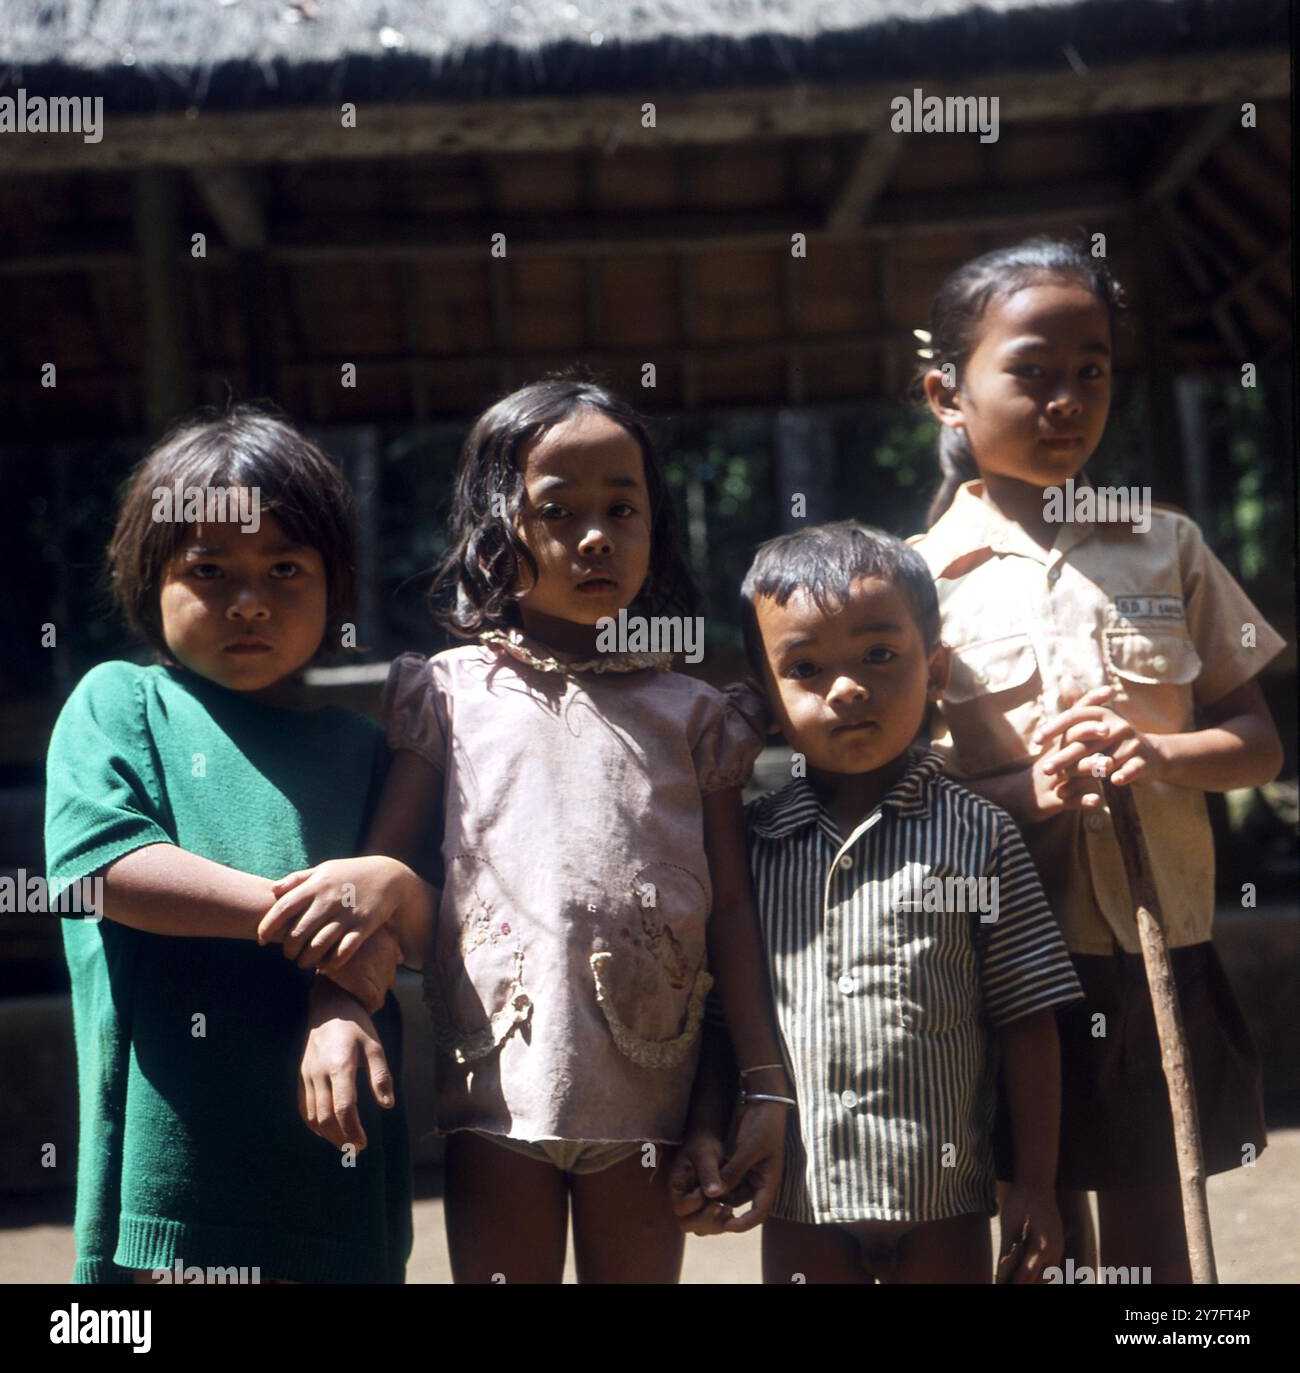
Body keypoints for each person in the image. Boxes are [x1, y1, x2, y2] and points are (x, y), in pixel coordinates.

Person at [285, 377, 788, 1283]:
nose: (595, 534)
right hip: (495, 1086)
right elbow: (377, 873)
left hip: (649, 1086)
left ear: (654, 526)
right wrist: (335, 1005)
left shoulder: (694, 716)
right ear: (495, 528)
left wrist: (763, 1078)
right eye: (557, 509)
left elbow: (732, 911)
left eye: (621, 507)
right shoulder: (448, 693)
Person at [910, 236, 1286, 1282]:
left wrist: (1157, 752)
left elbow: (1255, 744)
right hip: (986, 959)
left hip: (1148, 946)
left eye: (1091, 370)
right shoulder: (909, 583)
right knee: (1036, 1239)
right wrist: (1022, 791)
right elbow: (897, 796)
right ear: (946, 393)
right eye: (1030, 371)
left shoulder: (1169, 545)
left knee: (1153, 1231)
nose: (1065, 399)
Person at [44, 406, 413, 1283]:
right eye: (208, 570)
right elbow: (103, 869)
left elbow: (410, 925)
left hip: (337, 1177)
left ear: (336, 584)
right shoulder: (121, 703)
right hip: (172, 1183)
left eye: (286, 567)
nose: (249, 601)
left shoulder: (363, 749)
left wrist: (354, 969)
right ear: (149, 581)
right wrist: (314, 915)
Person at [673, 522, 1083, 1283]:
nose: (848, 686)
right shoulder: (753, 851)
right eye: (805, 667)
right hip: (798, 1203)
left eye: (879, 656)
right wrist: (703, 1128)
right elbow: (724, 1019)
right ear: (764, 697)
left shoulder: (979, 835)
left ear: (936, 671)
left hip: (943, 1203)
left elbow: (1028, 1017)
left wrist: (1034, 1183)